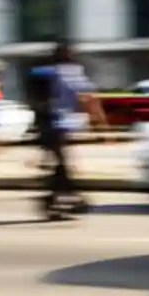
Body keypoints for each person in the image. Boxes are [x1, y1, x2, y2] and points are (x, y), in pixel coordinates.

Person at [28, 42, 96, 219]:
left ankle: (57, 201)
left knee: (60, 164)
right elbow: (86, 96)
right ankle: (67, 198)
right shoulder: (70, 72)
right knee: (61, 164)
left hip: (52, 123)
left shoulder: (44, 71)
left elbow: (34, 95)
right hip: (55, 123)